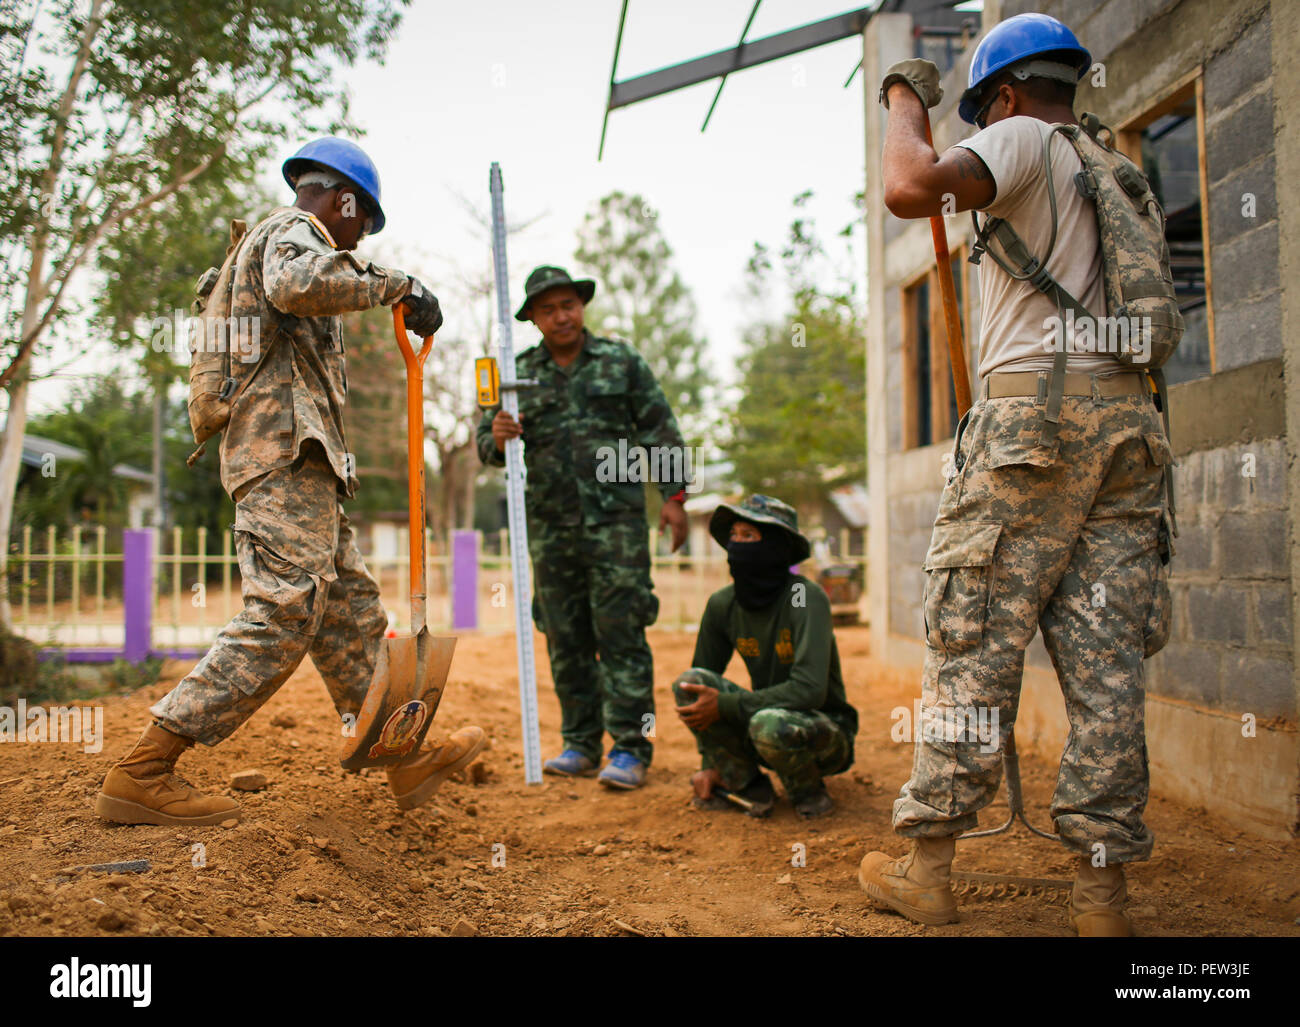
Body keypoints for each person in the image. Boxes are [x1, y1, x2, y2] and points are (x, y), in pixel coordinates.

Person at [858, 14, 1173, 937]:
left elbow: (909, 185)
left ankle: (929, 871)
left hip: (1033, 423)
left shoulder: (1024, 137)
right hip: (1129, 429)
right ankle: (1101, 896)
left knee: (972, 648)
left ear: (1000, 96)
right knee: (1108, 669)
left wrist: (902, 95)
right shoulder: (1118, 171)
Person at [96, 137, 485, 827]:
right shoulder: (290, 230)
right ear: (341, 201)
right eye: (361, 224)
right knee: (284, 608)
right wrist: (398, 283)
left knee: (350, 617)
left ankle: (404, 757)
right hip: (279, 455)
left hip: (306, 462)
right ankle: (145, 768)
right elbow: (299, 284)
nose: (357, 239)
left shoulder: (280, 239)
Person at [476, 265, 689, 789]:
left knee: (622, 634)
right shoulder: (514, 376)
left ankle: (632, 749)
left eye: (568, 305)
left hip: (615, 525)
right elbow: (486, 443)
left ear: (582, 307)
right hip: (548, 529)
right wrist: (499, 434)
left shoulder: (620, 361)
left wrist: (675, 498)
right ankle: (580, 743)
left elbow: (660, 427)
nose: (561, 316)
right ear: (533, 319)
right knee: (564, 637)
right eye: (548, 309)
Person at [673, 495, 858, 819]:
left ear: (775, 545)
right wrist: (712, 764)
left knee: (768, 723)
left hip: (822, 733)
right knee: (690, 685)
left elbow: (809, 690)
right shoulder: (722, 604)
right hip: (761, 722)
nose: (737, 545)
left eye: (749, 536)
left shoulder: (805, 598)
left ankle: (808, 790)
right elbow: (703, 686)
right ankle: (744, 782)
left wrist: (728, 705)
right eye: (734, 536)